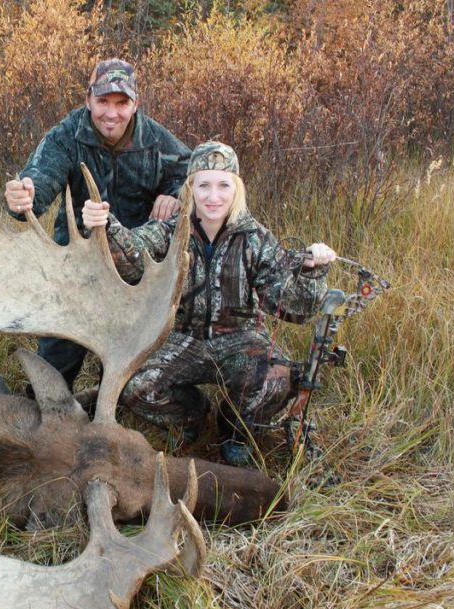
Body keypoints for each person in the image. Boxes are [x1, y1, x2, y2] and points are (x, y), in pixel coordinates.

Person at [81, 141, 337, 466]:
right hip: (180, 338)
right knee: (135, 385)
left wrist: (313, 273)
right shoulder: (171, 232)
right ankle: (192, 418)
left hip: (240, 340)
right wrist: (105, 226)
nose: (213, 196)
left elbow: (292, 308)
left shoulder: (256, 239)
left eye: (223, 185)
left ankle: (234, 429)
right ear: (190, 188)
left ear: (237, 189)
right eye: (203, 185)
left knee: (278, 380)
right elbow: (131, 259)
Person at [5, 58, 190, 391]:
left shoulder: (155, 139)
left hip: (134, 265)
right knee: (55, 366)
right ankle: (46, 412)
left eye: (122, 103)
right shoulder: (67, 135)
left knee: (129, 369)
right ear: (88, 99)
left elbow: (195, 173)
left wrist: (175, 193)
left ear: (135, 103)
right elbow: (41, 177)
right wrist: (25, 196)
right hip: (77, 264)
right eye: (103, 101)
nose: (111, 113)